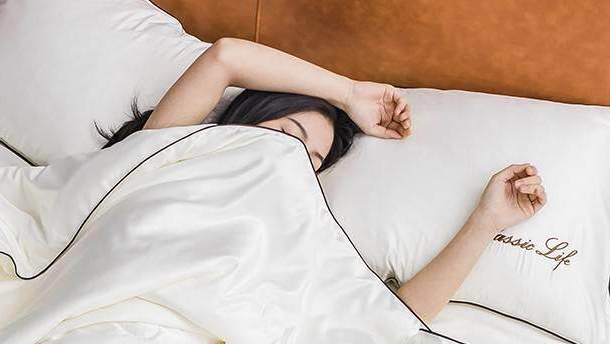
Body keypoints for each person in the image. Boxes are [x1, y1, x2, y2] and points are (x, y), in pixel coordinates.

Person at [101, 38, 547, 322]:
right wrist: (348, 93)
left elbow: (386, 324)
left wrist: (486, 222)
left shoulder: (290, 234)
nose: (289, 159)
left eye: (310, 160)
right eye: (286, 135)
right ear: (244, 118)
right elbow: (226, 57)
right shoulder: (166, 153)